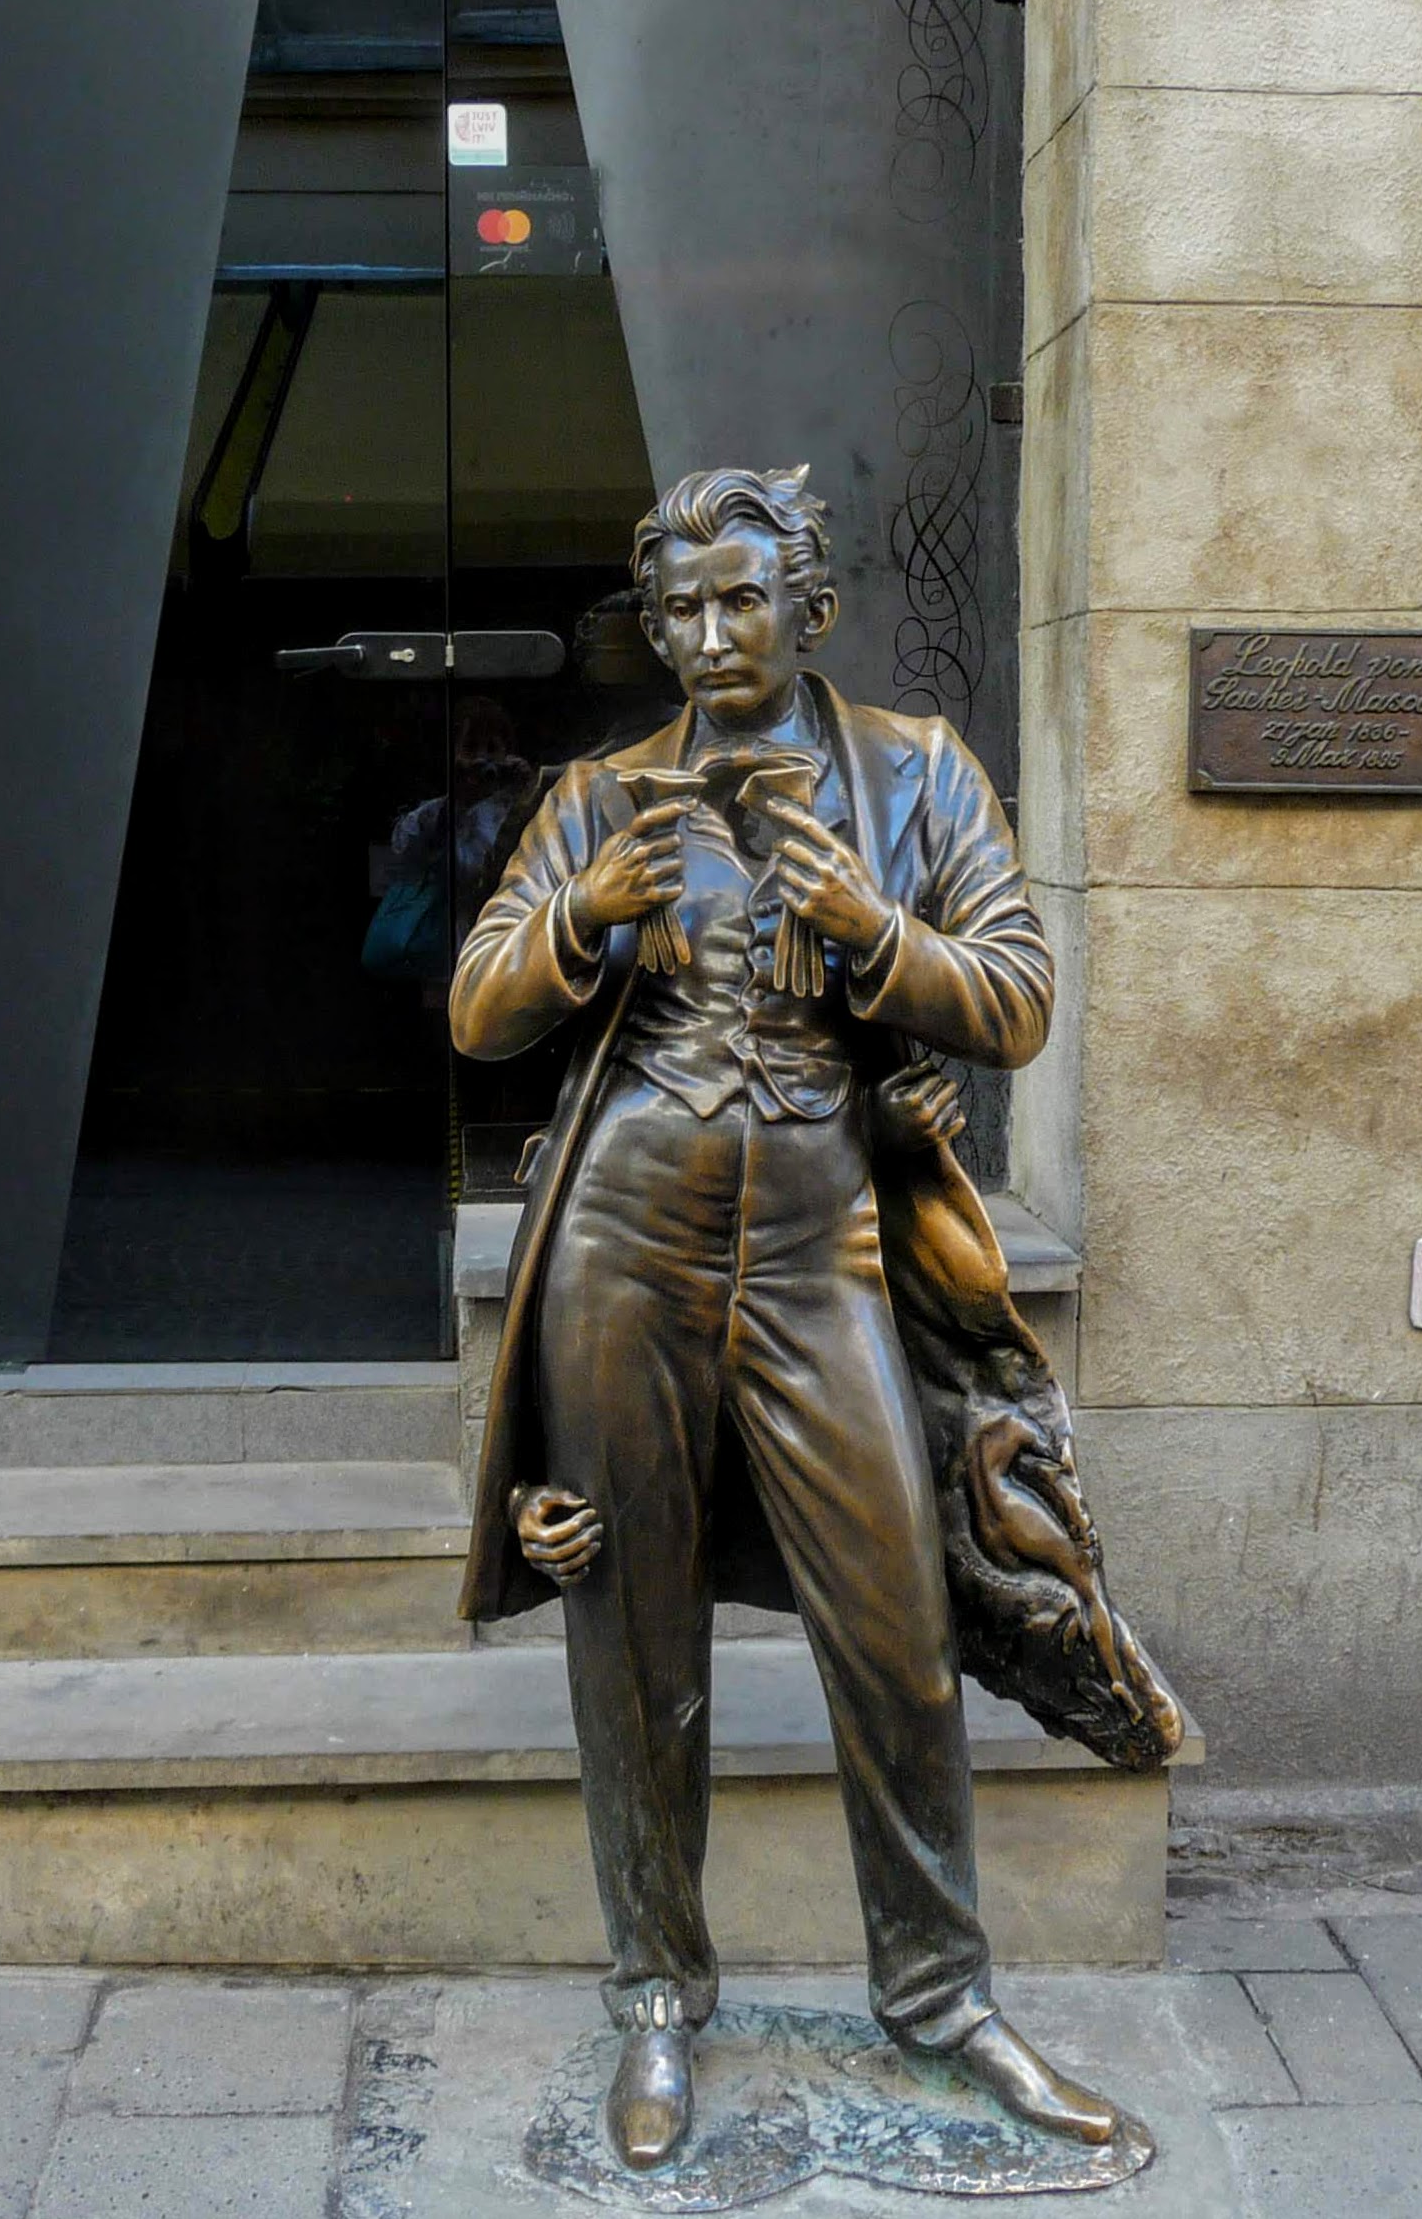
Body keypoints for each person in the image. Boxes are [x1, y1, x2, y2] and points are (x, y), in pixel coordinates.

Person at [448, 467, 1182, 2171]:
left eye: (742, 602)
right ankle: (654, 1998)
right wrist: (580, 917)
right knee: (631, 1639)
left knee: (897, 1629)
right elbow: (482, 1011)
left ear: (809, 608)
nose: (709, 637)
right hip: (622, 1242)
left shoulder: (919, 771)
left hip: (818, 1245)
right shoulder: (601, 794)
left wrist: (872, 928)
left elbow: (1012, 1000)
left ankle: (943, 1996)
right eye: (680, 610)